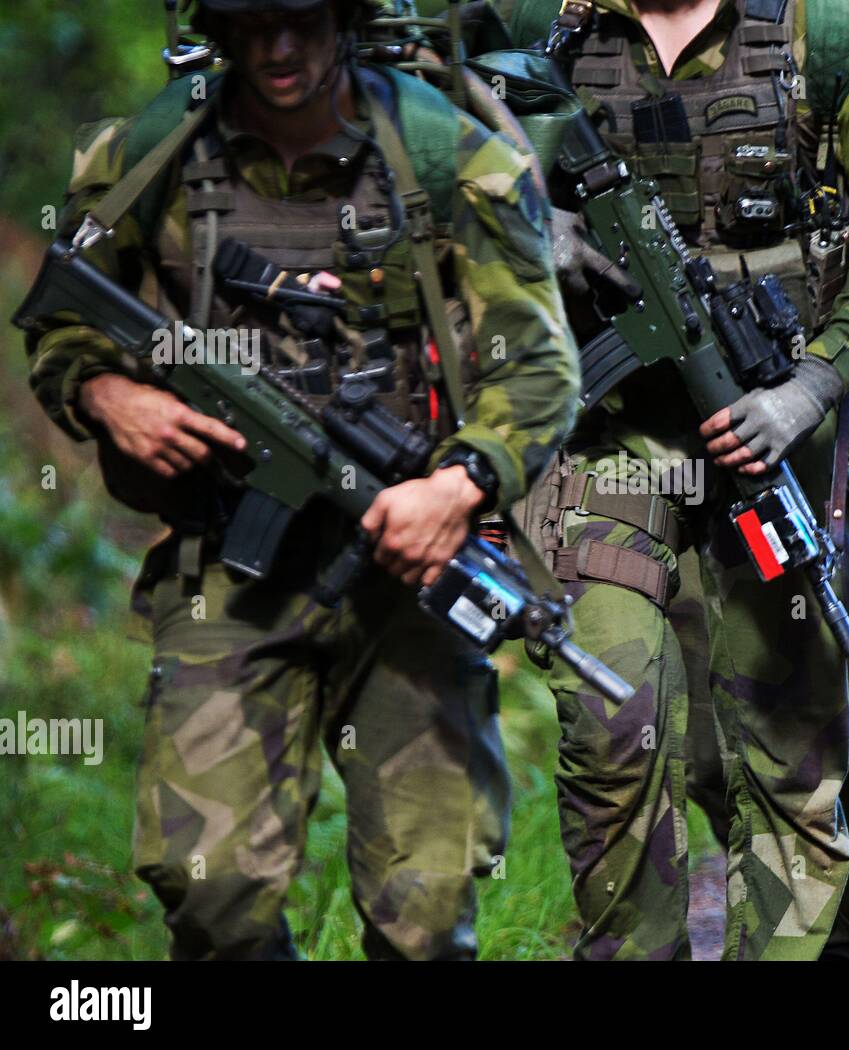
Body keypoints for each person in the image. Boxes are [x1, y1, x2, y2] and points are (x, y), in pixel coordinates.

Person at [20, 0, 580, 960]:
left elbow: (539, 367)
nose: (279, 49)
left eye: (302, 21)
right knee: (212, 891)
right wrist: (109, 392)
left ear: (344, 20)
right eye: (253, 23)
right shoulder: (150, 151)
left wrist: (459, 485)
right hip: (229, 569)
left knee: (426, 905)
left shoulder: (450, 156)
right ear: (221, 27)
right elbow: (62, 314)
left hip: (409, 579)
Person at [496, 0, 849, 959]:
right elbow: (413, 129)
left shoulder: (825, 35)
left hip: (770, 432)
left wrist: (814, 385)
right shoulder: (543, 25)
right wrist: (527, 222)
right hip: (607, 435)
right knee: (609, 723)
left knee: (791, 749)